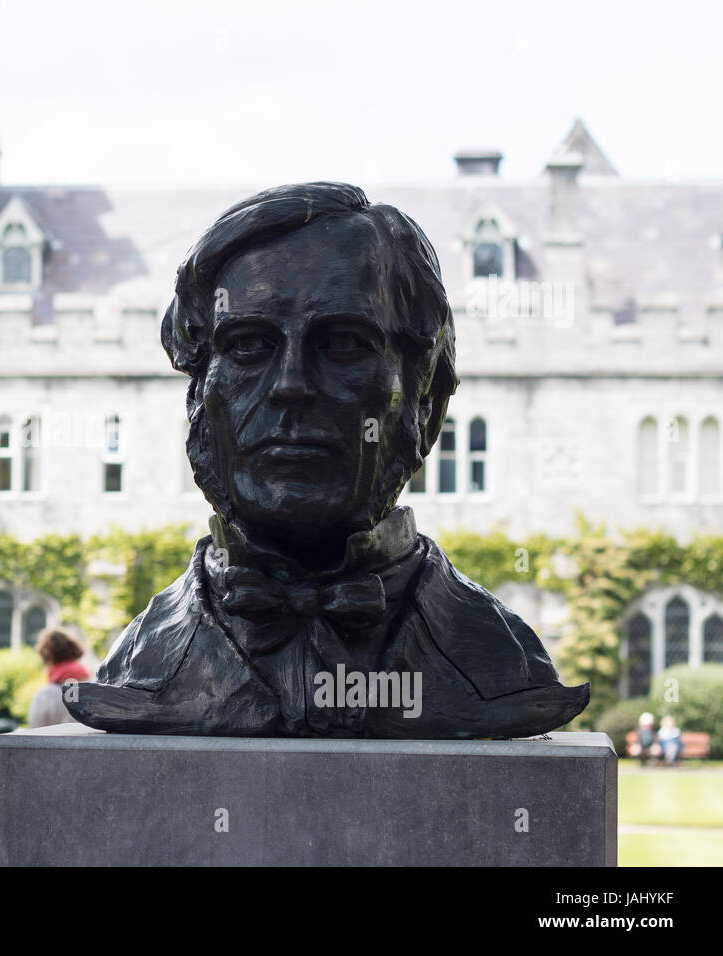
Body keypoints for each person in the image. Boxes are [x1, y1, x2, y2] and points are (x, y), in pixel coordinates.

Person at [65, 182, 590, 739]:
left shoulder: (500, 666)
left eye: (343, 344)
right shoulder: (142, 669)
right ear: (198, 398)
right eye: (248, 345)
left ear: (427, 399)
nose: (291, 386)